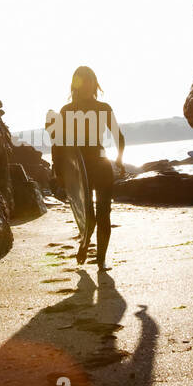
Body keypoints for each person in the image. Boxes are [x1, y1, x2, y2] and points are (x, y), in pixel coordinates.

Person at [57, 66, 124, 270]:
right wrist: (59, 172)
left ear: (94, 84)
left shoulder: (98, 108)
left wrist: (119, 161)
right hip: (84, 167)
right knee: (91, 214)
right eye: (83, 81)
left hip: (93, 166)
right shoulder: (70, 110)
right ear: (76, 85)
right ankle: (87, 246)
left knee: (102, 214)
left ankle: (100, 258)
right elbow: (59, 144)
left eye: (89, 81)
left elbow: (118, 137)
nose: (86, 85)